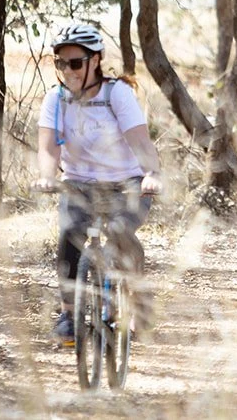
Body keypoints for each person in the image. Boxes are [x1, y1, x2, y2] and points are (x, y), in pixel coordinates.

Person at [35, 22, 162, 346]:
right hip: (79, 184)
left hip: (127, 184)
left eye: (75, 63)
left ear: (95, 61)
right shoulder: (56, 99)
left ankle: (136, 299)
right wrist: (48, 177)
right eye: (60, 63)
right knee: (69, 232)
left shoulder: (116, 93)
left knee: (120, 231)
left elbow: (139, 141)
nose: (68, 70)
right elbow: (49, 147)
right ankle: (68, 314)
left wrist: (151, 174)